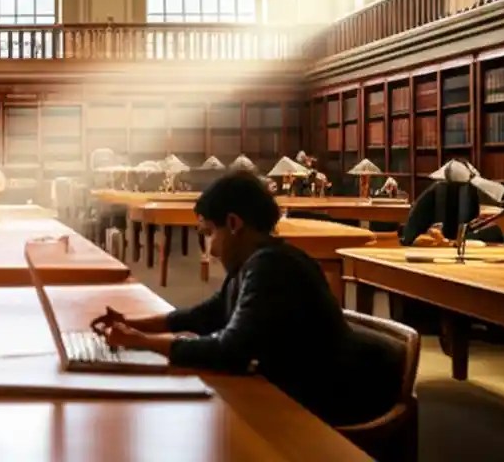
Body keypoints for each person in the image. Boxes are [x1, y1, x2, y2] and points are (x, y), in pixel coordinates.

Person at [92, 171, 371, 426]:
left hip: (320, 415)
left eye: (209, 233)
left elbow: (229, 352)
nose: (210, 250)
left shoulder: (271, 267)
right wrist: (131, 324)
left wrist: (141, 342)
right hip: (290, 397)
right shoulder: (257, 262)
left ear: (234, 223)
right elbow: (207, 314)